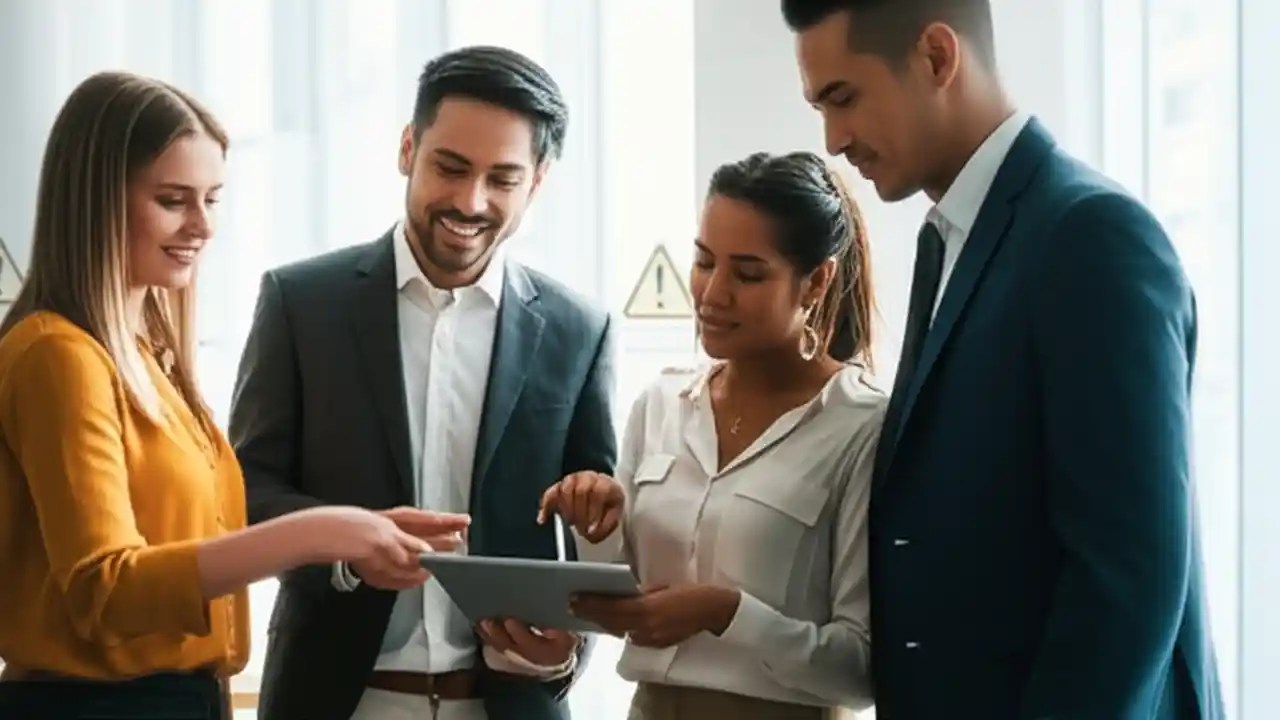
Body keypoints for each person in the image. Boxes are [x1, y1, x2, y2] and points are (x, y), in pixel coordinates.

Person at [779, 1, 1225, 718]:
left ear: (936, 57)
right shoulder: (947, 239)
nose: (833, 140)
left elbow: (1128, 582)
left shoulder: (1091, 236)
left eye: (843, 98)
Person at [0, 71, 469, 720]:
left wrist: (352, 536)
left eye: (212, 199)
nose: (202, 226)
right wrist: (322, 531)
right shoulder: (58, 354)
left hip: (182, 699)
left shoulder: (144, 357)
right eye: (173, 199)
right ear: (96, 201)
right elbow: (105, 590)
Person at [228, 46, 617, 720]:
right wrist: (350, 548)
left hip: (509, 703)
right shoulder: (301, 303)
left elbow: (595, 524)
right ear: (408, 148)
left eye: (503, 178)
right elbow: (245, 491)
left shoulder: (580, 329)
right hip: (335, 701)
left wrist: (563, 652)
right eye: (451, 167)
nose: (471, 201)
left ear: (539, 180)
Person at [540, 151, 883, 720]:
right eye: (703, 262)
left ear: (816, 280)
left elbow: (861, 668)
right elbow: (620, 596)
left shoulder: (860, 425)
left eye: (747, 274)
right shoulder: (661, 404)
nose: (712, 293)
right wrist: (594, 520)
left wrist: (725, 612)